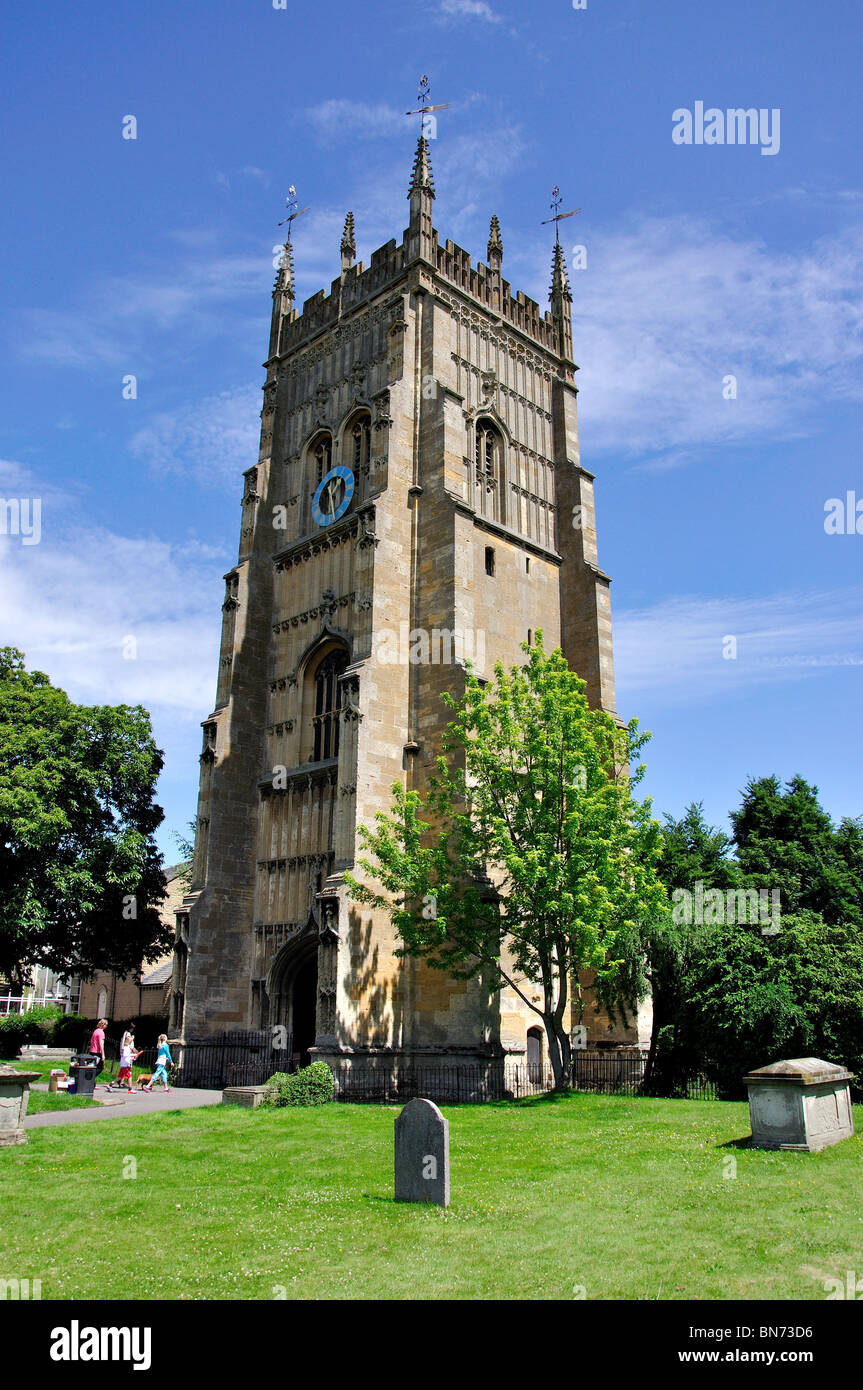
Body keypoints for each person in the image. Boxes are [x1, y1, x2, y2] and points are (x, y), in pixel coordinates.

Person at [107, 1027, 140, 1093]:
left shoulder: (125, 1047)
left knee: (120, 1076)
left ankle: (110, 1085)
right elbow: (126, 1056)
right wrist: (133, 1056)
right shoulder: (126, 1048)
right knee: (129, 1075)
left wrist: (133, 1056)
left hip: (125, 1063)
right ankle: (130, 1089)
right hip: (126, 1064)